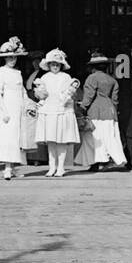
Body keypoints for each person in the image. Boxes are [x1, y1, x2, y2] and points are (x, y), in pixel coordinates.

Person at [76, 51, 127, 170]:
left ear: (92, 67)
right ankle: (113, 160)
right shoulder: (112, 80)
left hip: (95, 111)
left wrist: (82, 108)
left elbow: (89, 96)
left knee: (93, 138)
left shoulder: (92, 78)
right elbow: (115, 100)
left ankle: (94, 162)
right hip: (110, 111)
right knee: (109, 137)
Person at [35, 48, 81, 177]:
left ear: (61, 65)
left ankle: (61, 167)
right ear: (48, 65)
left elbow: (70, 93)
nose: (55, 66)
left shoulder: (66, 77)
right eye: (52, 64)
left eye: (57, 64)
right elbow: (42, 94)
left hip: (62, 110)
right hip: (49, 110)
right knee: (51, 140)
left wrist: (68, 95)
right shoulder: (44, 77)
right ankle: (51, 167)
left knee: (61, 139)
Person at [0, 36, 28, 180]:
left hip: (18, 106)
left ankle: (13, 167)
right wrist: (5, 110)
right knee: (8, 136)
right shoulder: (0, 73)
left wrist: (28, 102)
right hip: (8, 106)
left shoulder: (17, 73)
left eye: (14, 57)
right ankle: (6, 168)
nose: (13, 60)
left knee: (17, 137)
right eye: (10, 58)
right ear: (5, 58)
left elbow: (23, 89)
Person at [20, 53, 44, 163]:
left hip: (37, 101)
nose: (35, 63)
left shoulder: (43, 74)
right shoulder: (31, 73)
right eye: (34, 61)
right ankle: (32, 157)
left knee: (39, 129)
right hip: (29, 101)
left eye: (37, 61)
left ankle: (40, 158)